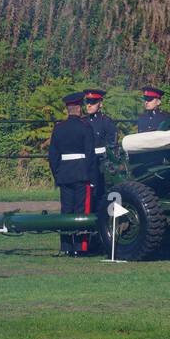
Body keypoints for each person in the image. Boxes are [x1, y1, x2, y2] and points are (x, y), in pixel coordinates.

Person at [48, 92, 98, 256]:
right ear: (79, 108)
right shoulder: (85, 127)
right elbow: (90, 155)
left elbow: (53, 156)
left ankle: (66, 246)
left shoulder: (59, 128)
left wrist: (58, 175)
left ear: (68, 109)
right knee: (81, 211)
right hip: (82, 173)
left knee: (66, 210)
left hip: (64, 173)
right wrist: (92, 177)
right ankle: (80, 247)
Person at [83, 89, 117, 249]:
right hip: (87, 165)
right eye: (87, 102)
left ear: (100, 104)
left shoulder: (106, 122)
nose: (89, 105)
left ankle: (101, 234)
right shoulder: (83, 122)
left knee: (102, 197)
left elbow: (111, 144)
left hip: (101, 165)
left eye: (92, 103)